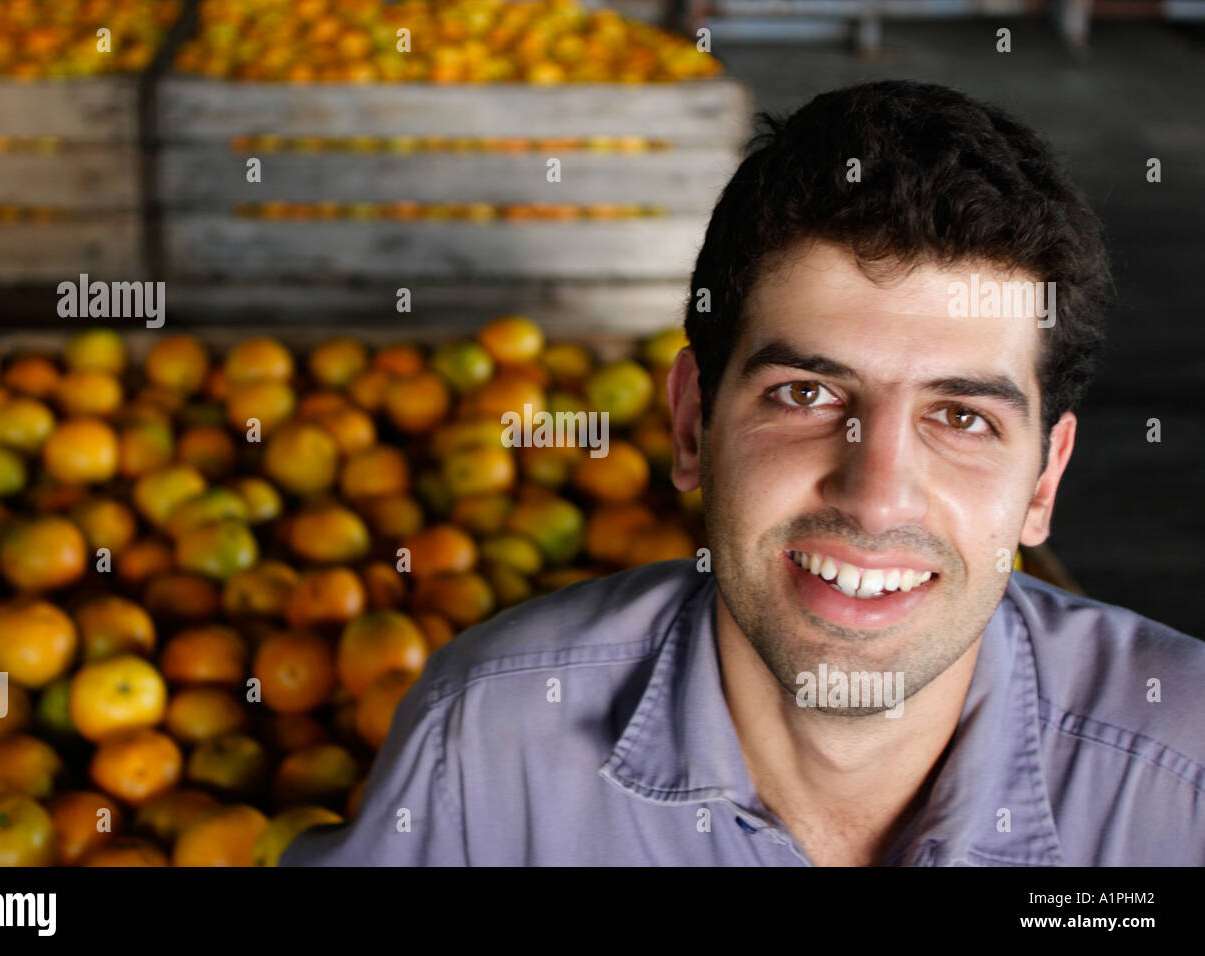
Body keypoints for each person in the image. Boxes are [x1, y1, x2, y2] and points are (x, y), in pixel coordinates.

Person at [283, 80, 1205, 866]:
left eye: (961, 417)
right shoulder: (480, 753)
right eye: (806, 395)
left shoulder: (1185, 778)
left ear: (1044, 481)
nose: (875, 494)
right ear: (692, 423)